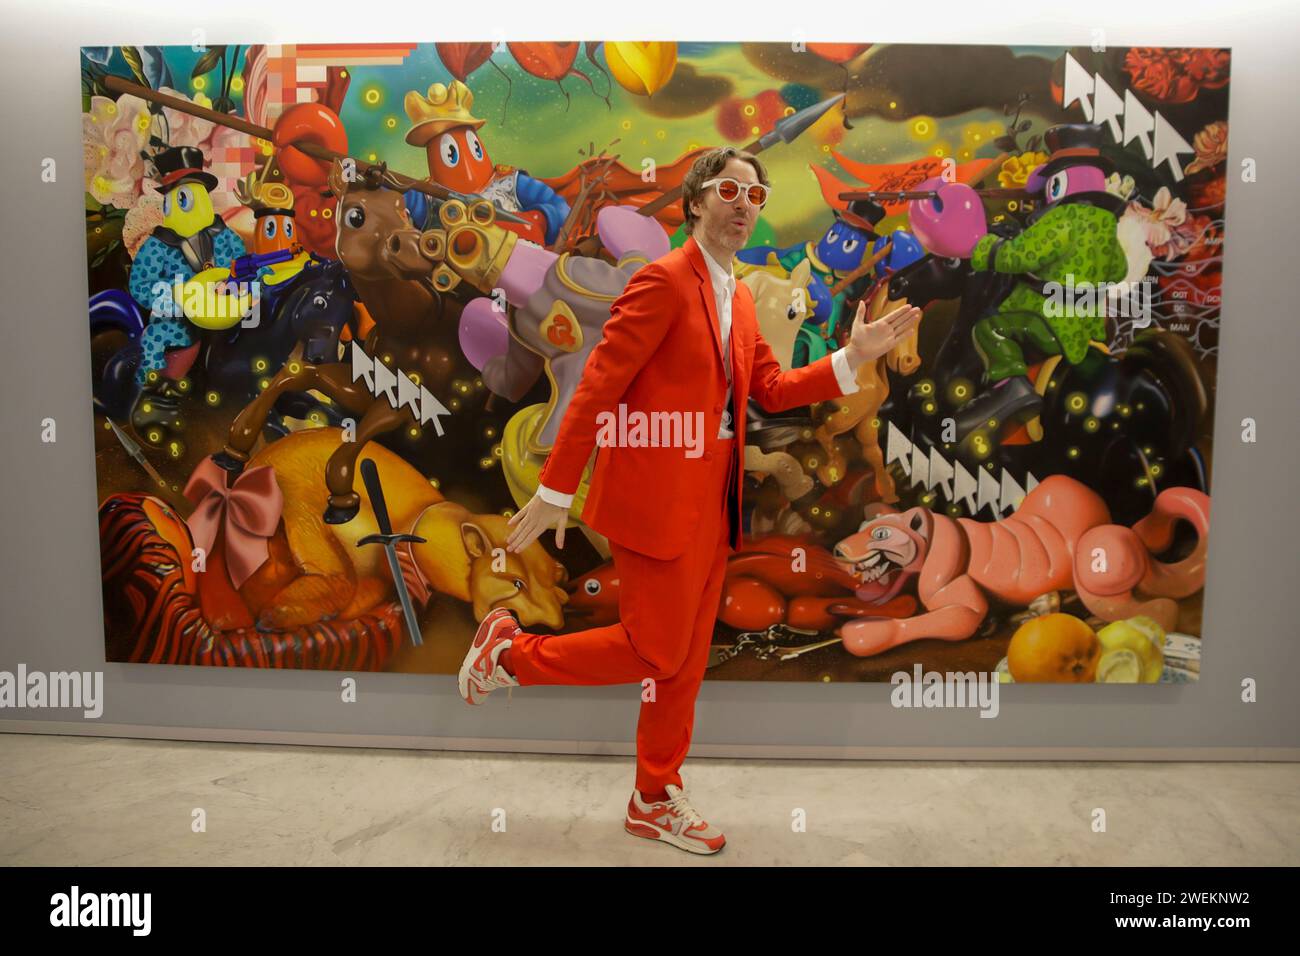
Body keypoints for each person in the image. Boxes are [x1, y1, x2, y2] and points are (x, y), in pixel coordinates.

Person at [456, 146, 922, 855]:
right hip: (653, 504)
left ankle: (653, 796)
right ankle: (511, 653)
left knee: (682, 663)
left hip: (712, 506)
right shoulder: (663, 283)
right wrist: (554, 488)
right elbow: (599, 383)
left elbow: (770, 390)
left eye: (756, 195)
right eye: (730, 189)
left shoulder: (734, 293)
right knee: (654, 649)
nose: (744, 203)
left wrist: (851, 359)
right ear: (697, 201)